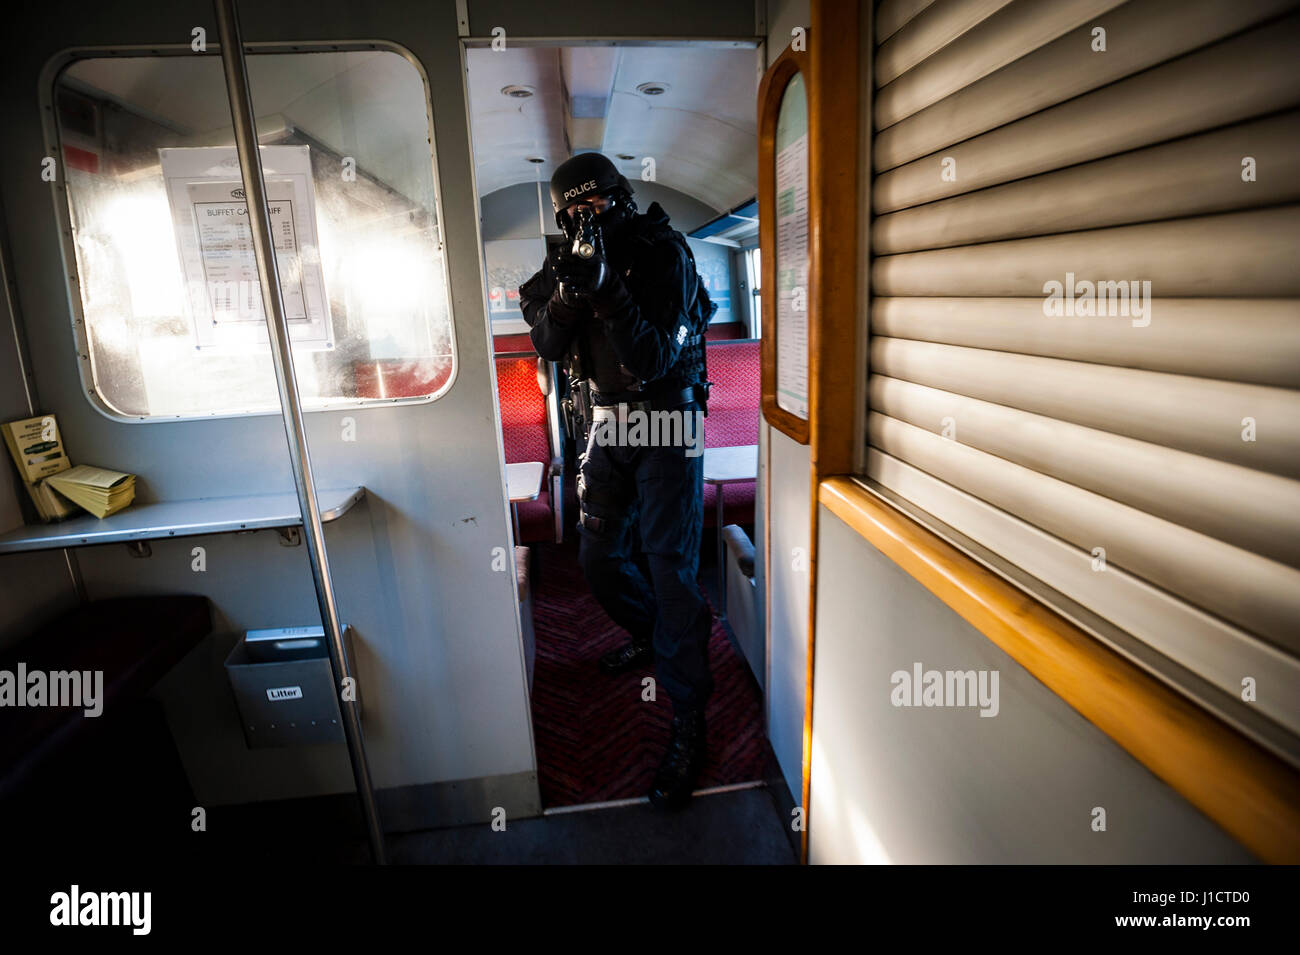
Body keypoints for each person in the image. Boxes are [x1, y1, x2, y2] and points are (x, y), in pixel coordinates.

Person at [518, 152, 715, 810]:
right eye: (569, 210)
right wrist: (574, 290)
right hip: (608, 428)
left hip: (667, 423)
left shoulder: (665, 252)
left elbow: (655, 356)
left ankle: (688, 717)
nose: (582, 218)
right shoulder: (565, 260)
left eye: (592, 204)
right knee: (599, 557)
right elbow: (547, 342)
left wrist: (609, 287)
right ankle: (659, 631)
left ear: (618, 198)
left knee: (669, 566)